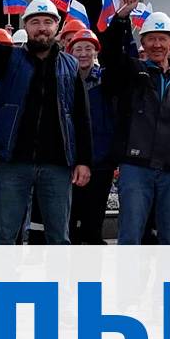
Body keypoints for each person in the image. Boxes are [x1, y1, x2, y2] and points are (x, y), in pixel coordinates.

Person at [0, 0, 90, 245]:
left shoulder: (70, 66)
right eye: (35, 22)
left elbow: (80, 115)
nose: (41, 28)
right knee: (4, 235)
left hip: (57, 166)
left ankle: (56, 275)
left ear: (57, 26)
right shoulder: (9, 59)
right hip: (14, 162)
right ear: (26, 26)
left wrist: (83, 161)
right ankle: (3, 275)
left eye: (47, 22)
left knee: (59, 238)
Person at [104, 0, 170, 244]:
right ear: (143, 44)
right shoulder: (131, 72)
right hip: (135, 168)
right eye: (151, 39)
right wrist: (122, 16)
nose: (157, 44)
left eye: (163, 39)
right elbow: (111, 54)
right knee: (130, 237)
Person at [64, 25, 113, 245]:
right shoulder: (64, 80)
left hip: (101, 162)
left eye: (88, 48)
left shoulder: (106, 81)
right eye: (78, 49)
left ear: (96, 52)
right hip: (71, 161)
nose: (83, 53)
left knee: (94, 224)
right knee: (70, 222)